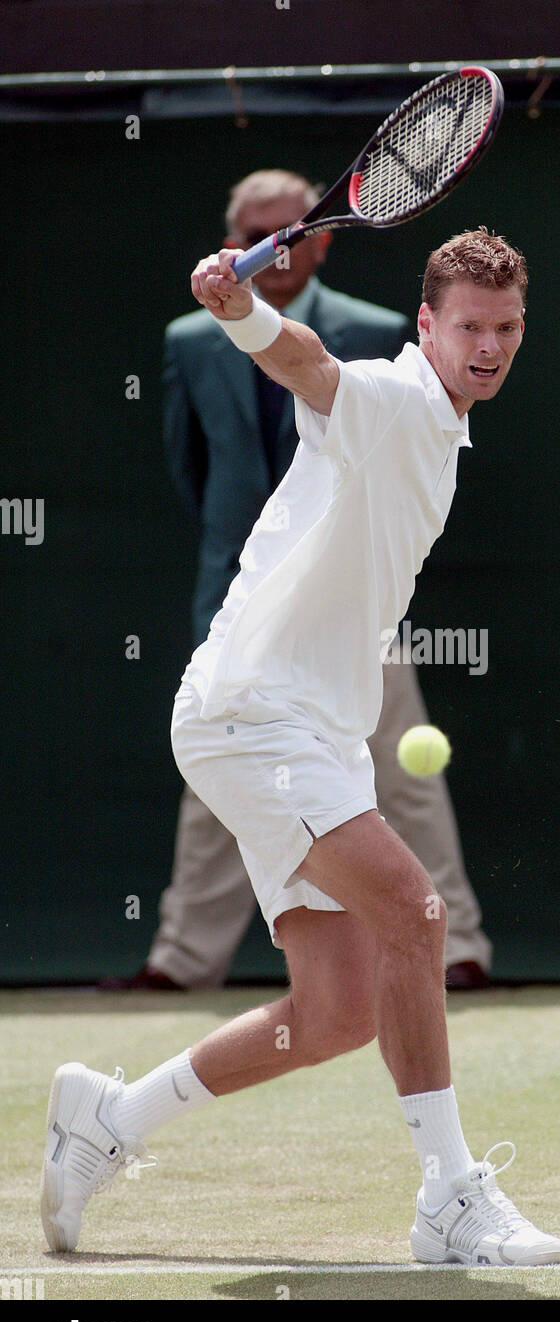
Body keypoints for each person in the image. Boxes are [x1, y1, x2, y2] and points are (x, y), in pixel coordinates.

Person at [41, 229, 560, 1266]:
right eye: (469, 325)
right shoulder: (394, 398)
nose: (489, 345)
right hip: (252, 716)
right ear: (427, 326)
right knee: (416, 911)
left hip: (311, 729)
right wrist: (237, 310)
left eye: (506, 328)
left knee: (332, 1012)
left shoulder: (444, 431)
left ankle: (108, 1120)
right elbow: (305, 364)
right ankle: (448, 1200)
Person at [100, 169, 491, 993]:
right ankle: (181, 961)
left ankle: (455, 948)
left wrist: (242, 314)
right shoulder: (188, 339)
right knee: (218, 788)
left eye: (292, 229)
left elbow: (316, 374)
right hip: (246, 604)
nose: (276, 248)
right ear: (236, 240)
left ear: (318, 237)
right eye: (256, 233)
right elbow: (192, 466)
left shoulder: (378, 332)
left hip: (356, 611)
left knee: (404, 774)